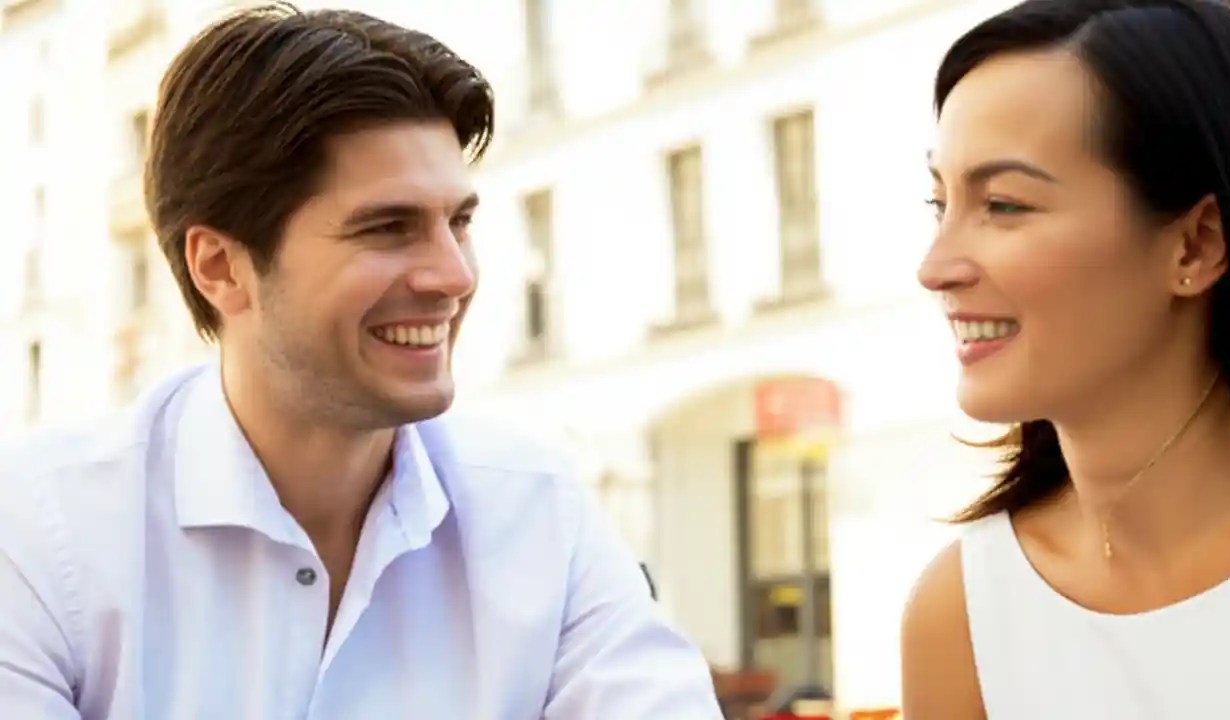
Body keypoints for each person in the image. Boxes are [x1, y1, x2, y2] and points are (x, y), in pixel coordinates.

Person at [0, 4, 722, 718]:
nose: (454, 275)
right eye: (389, 228)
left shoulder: (539, 514)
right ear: (220, 266)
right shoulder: (38, 534)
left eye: (459, 222)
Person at [901, 0, 1230, 717]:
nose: (936, 266)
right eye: (939, 203)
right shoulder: (962, 614)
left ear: (1195, 245)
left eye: (1004, 205)